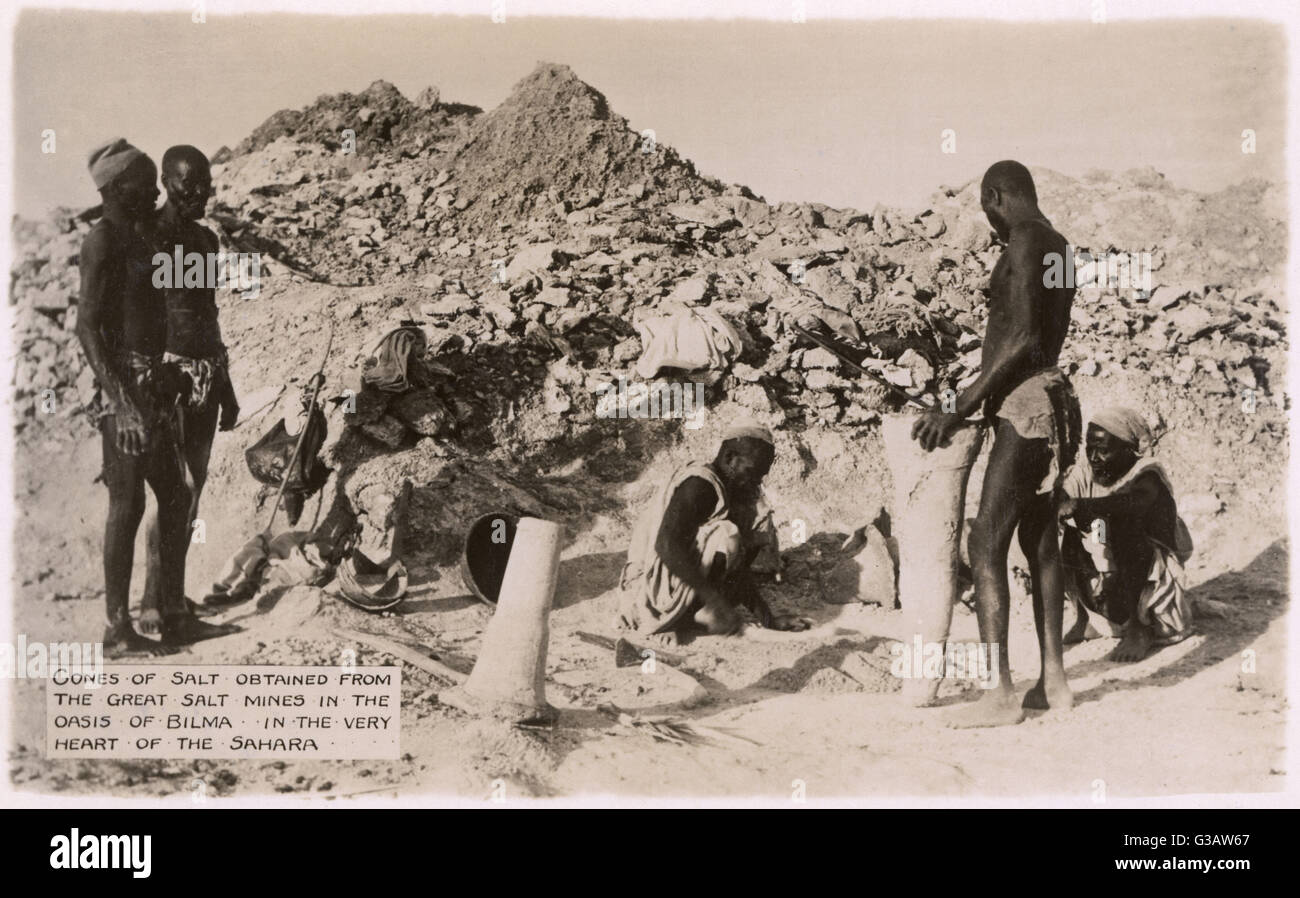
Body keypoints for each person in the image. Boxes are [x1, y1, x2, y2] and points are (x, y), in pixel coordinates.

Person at [911, 161, 1080, 726]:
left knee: (985, 544)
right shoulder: (1060, 245)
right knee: (1040, 540)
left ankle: (999, 692)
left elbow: (1026, 336)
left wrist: (958, 407)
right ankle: (1053, 681)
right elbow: (1041, 337)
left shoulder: (1028, 242)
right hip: (1053, 399)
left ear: (994, 196)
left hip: (1026, 406)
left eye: (986, 207)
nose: (988, 220)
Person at [75, 139, 230, 654]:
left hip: (156, 385)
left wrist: (204, 377)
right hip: (128, 392)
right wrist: (120, 402)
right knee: (127, 502)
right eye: (147, 179)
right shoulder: (105, 241)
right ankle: (117, 630)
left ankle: (173, 614)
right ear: (122, 186)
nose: (155, 189)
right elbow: (88, 327)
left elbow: (191, 313)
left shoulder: (142, 240)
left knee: (178, 494)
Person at [138, 145, 240, 630]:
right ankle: (157, 606)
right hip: (168, 373)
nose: (201, 193)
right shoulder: (147, 236)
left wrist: (226, 381)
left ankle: (168, 599)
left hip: (206, 370)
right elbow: (136, 315)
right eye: (190, 184)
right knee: (170, 492)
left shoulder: (204, 240)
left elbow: (208, 311)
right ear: (165, 181)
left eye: (206, 183)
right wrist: (149, 374)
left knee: (192, 490)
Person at [618, 419, 806, 646]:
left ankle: (694, 613)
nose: (756, 481)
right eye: (752, 472)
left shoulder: (732, 490)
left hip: (677, 584)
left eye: (761, 475)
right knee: (725, 534)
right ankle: (674, 619)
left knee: (751, 535)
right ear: (730, 458)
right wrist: (715, 602)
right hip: (646, 590)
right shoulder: (700, 485)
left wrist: (768, 619)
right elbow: (666, 545)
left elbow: (737, 568)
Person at [1058, 407, 1194, 661]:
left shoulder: (1147, 473)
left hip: (1146, 587)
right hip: (1105, 579)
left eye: (1103, 449)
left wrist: (1081, 505)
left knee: (1123, 523)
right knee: (1068, 532)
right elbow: (1064, 499)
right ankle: (1085, 616)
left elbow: (1136, 503)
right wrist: (1063, 503)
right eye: (1090, 447)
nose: (1095, 457)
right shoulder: (1088, 469)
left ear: (1127, 449)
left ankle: (1139, 629)